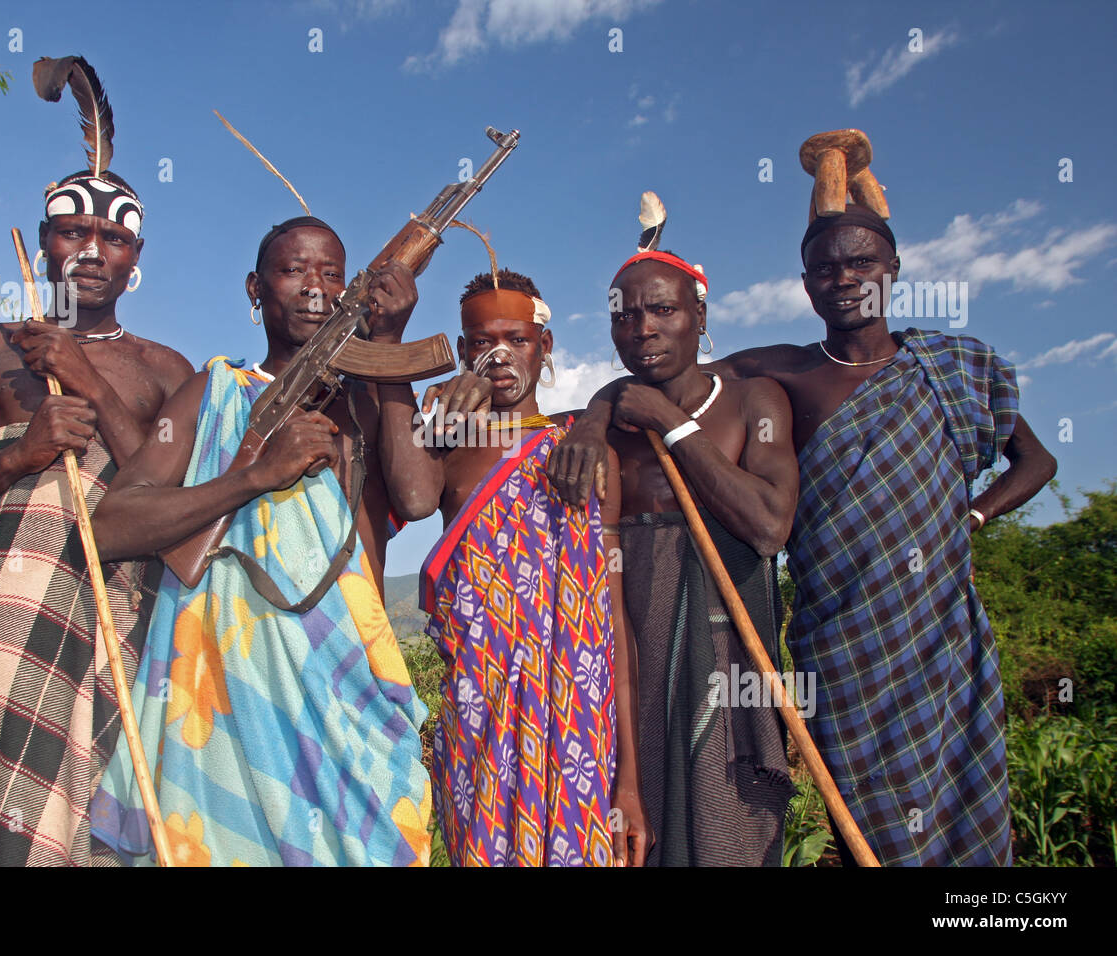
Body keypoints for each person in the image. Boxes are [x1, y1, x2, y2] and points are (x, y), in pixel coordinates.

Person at [552, 206, 1057, 865]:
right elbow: (652, 371)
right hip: (842, 636)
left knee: (969, 800)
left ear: (893, 271)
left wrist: (973, 517)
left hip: (942, 629)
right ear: (805, 283)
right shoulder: (783, 371)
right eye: (825, 268)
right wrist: (593, 417)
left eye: (862, 263)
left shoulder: (944, 368)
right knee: (867, 818)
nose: (844, 278)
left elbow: (1037, 460)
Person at [87, 217, 435, 866]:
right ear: (255, 288)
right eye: (293, 270)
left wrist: (391, 349)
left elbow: (417, 497)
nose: (314, 288)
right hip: (222, 695)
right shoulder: (214, 391)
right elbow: (110, 526)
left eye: (333, 275)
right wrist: (253, 478)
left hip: (346, 689)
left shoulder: (367, 400)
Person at [0, 164, 194, 865]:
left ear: (136, 257)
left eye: (113, 237)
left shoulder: (170, 373)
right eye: (74, 230)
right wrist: (16, 460)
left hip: (115, 637)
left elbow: (179, 515)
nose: (91, 249)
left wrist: (88, 383)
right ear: (43, 239)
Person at [549, 250, 799, 865]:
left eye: (662, 309)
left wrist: (671, 423)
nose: (643, 329)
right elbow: (510, 431)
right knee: (638, 822)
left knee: (727, 821)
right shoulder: (598, 432)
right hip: (626, 655)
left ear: (699, 313)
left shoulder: (753, 402)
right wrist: (593, 416)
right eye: (625, 317)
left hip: (722, 656)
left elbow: (768, 527)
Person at [398, 268, 649, 866]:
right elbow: (405, 497)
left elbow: (613, 621)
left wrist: (631, 784)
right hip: (477, 714)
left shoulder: (583, 448)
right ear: (462, 352)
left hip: (578, 725)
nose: (500, 355)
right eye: (482, 343)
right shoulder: (445, 447)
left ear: (546, 347)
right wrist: (430, 410)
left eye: (517, 339)